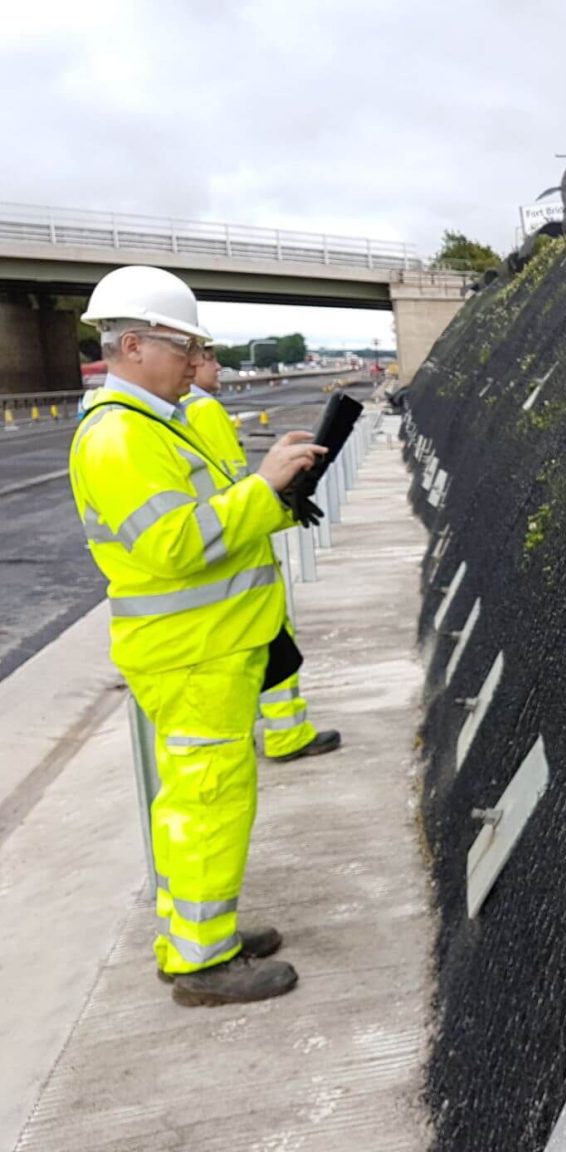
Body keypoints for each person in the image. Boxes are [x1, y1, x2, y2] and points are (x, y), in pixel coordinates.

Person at [69, 266, 326, 1007]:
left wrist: (280, 497)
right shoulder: (120, 437)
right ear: (132, 345)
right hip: (192, 653)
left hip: (212, 645)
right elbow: (177, 545)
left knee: (208, 797)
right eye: (183, 345)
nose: (194, 359)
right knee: (206, 799)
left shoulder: (158, 424)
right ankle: (201, 962)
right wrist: (261, 485)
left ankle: (199, 936)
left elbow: (219, 524)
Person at [186, 351, 342, 763]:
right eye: (207, 357)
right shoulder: (202, 409)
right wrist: (280, 495)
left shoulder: (173, 414)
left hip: (219, 571)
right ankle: (286, 734)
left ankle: (275, 733)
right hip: (240, 567)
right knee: (273, 651)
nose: (216, 366)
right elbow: (235, 491)